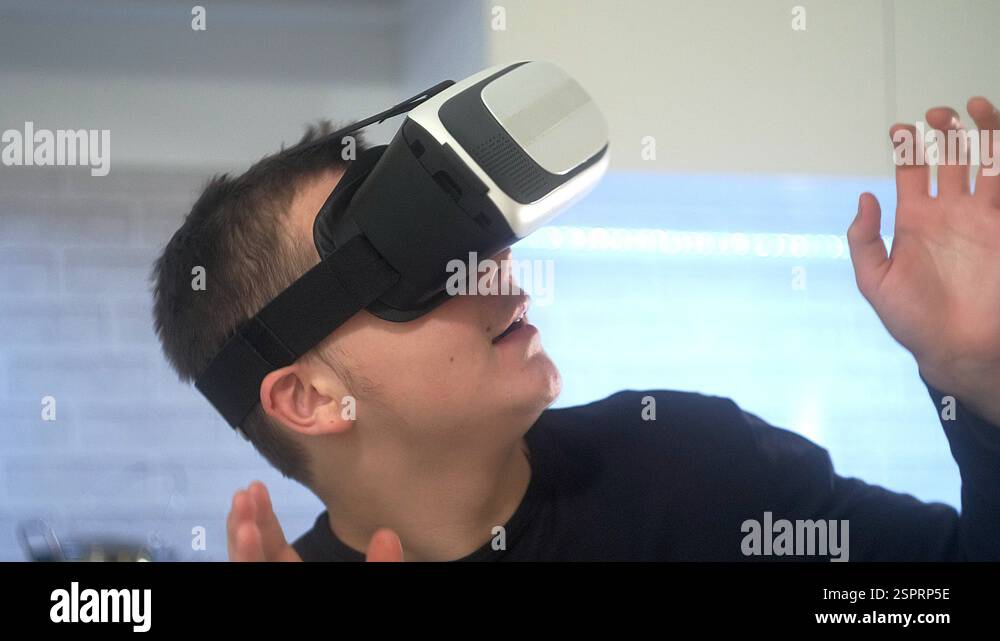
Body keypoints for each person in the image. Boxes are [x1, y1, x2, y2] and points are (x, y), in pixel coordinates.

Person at [152, 99, 1000, 562]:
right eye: (411, 260)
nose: (495, 271)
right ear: (308, 397)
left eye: (471, 238)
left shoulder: (693, 466)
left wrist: (982, 384)